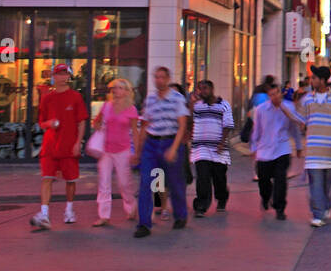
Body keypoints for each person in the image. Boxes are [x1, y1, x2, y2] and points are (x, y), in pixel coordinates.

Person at [29, 64, 89, 230]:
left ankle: (69, 210)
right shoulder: (47, 98)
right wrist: (50, 123)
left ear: (69, 76)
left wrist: (78, 143)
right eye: (59, 74)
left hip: (69, 145)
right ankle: (44, 214)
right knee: (47, 178)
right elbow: (41, 122)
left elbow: (81, 121)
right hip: (50, 146)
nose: (62, 77)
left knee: (71, 180)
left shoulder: (75, 97)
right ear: (54, 77)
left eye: (65, 74)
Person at [134, 66, 191, 238]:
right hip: (152, 143)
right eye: (156, 77)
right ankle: (144, 223)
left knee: (175, 182)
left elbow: (182, 125)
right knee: (146, 183)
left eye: (162, 77)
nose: (158, 80)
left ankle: (180, 215)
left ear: (167, 79)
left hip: (170, 140)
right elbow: (145, 123)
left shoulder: (177, 99)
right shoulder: (150, 99)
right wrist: (139, 150)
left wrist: (174, 148)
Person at [251, 81, 305, 220]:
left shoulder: (288, 108)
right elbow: (256, 130)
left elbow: (294, 128)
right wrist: (253, 147)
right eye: (271, 95)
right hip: (264, 150)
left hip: (282, 149)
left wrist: (298, 146)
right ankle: (265, 197)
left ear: (281, 93)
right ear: (268, 96)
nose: (274, 97)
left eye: (276, 93)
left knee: (281, 179)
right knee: (264, 180)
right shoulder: (261, 109)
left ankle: (280, 208)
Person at [301, 66, 331, 227]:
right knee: (315, 184)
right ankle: (318, 214)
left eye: (314, 78)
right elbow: (302, 121)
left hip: (329, 151)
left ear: (322, 80)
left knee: (326, 184)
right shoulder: (307, 99)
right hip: (313, 151)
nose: (311, 81)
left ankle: (326, 205)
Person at [90, 77, 138, 227]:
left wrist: (136, 152)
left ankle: (130, 205)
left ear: (126, 91)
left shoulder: (131, 109)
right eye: (114, 88)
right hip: (106, 150)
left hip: (123, 150)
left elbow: (135, 132)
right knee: (104, 182)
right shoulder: (107, 106)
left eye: (119, 88)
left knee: (124, 183)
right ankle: (104, 216)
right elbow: (96, 121)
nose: (116, 91)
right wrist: (97, 125)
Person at [190, 80, 233, 217]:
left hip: (218, 149)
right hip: (201, 148)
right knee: (202, 178)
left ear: (212, 89)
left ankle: (222, 198)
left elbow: (228, 125)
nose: (203, 91)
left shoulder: (224, 105)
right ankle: (201, 206)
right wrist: (191, 104)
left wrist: (221, 143)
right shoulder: (197, 106)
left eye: (205, 88)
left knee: (219, 178)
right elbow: (190, 120)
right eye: (200, 89)